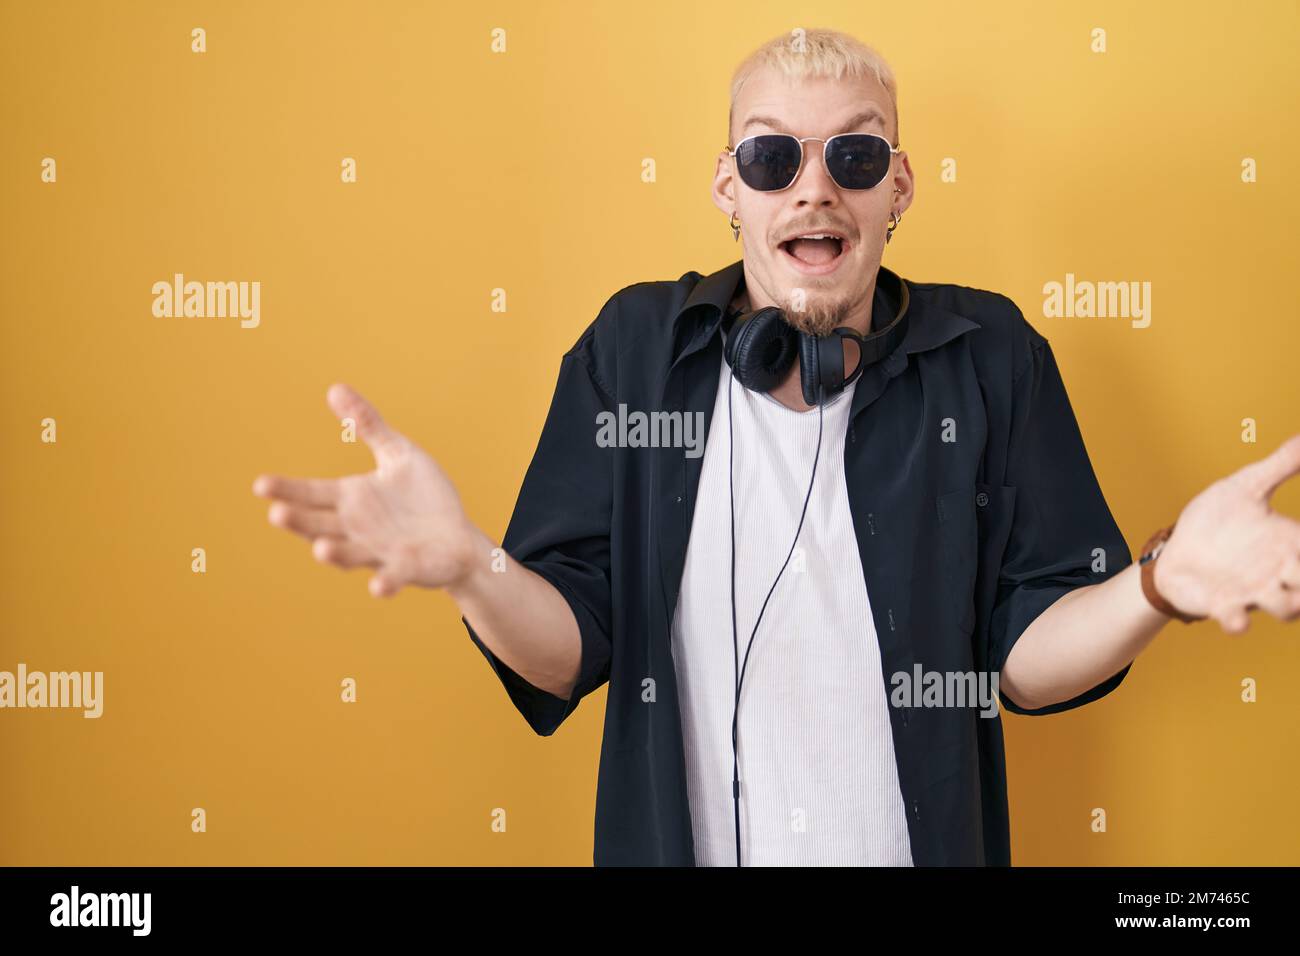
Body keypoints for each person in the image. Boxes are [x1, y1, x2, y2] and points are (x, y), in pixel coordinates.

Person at [252, 28, 1300, 866]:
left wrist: (1160, 585)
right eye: (770, 155)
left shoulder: (990, 357)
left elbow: (1024, 665)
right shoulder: (634, 351)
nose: (812, 189)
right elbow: (570, 648)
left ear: (897, 187)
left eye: (852, 154)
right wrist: (470, 567)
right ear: (727, 188)